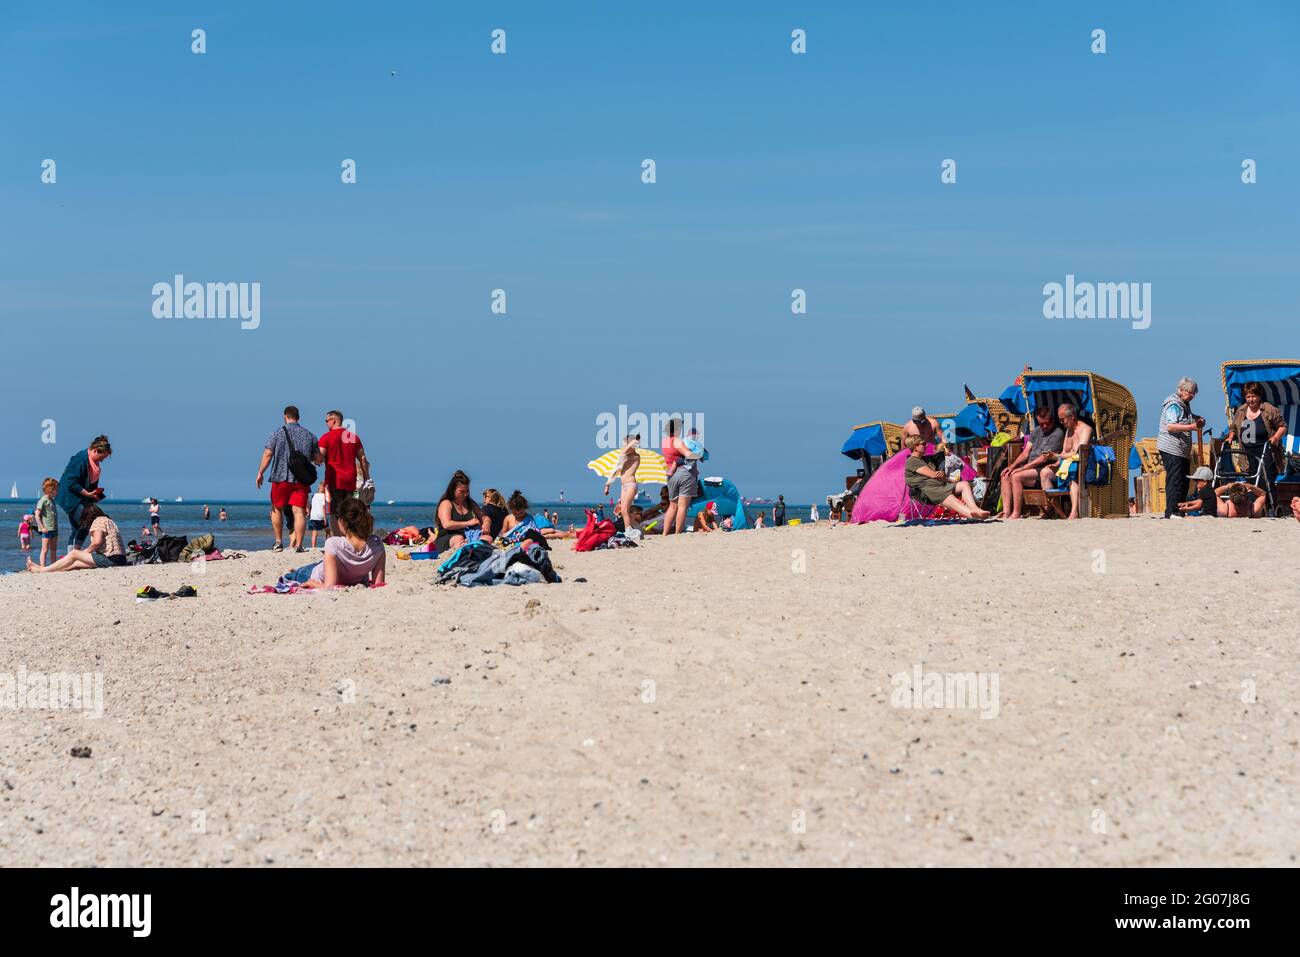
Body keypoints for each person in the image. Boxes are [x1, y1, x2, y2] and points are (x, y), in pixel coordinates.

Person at [256, 405, 321, 553]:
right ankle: (299, 545)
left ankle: (278, 542)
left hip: (280, 477)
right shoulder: (309, 435)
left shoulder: (277, 433)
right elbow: (318, 459)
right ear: (298, 417)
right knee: (299, 512)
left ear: (285, 416)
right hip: (301, 479)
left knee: (276, 509)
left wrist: (260, 472)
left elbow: (267, 454)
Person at [282, 498, 386, 589]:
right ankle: (296, 569)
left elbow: (330, 587)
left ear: (343, 521)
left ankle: (295, 571)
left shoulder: (334, 543)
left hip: (315, 575)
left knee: (297, 574)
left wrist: (312, 583)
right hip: (337, 570)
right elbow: (379, 584)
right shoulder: (377, 544)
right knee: (319, 564)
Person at [903, 434, 991, 519]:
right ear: (915, 447)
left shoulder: (924, 459)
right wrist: (939, 474)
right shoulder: (912, 461)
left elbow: (938, 475)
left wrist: (947, 478)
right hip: (925, 491)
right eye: (923, 444)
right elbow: (933, 475)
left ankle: (974, 508)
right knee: (948, 495)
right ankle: (971, 514)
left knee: (964, 484)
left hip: (938, 486)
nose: (926, 446)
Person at [999, 406, 1064, 519]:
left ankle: (1016, 513)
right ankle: (1006, 512)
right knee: (1006, 475)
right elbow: (1025, 453)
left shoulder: (1057, 433)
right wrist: (1012, 466)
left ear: (1052, 420)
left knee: (1016, 476)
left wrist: (1022, 469)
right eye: (1041, 423)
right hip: (1030, 469)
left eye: (1047, 423)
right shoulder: (1036, 431)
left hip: (1044, 469)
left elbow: (1043, 458)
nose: (1044, 426)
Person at [1157, 378, 1204, 519]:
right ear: (1181, 390)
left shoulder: (1184, 404)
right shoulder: (1174, 405)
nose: (1192, 395)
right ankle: (1172, 512)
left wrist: (1197, 418)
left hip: (1181, 451)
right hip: (1172, 449)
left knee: (1183, 481)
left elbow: (1185, 417)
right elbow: (1171, 426)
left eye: (1194, 393)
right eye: (1190, 392)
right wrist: (1191, 427)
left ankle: (1179, 510)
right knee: (1175, 480)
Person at [27, 505, 126, 572]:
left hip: (110, 559)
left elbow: (97, 542)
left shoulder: (98, 521)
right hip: (120, 559)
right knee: (75, 564)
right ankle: (45, 569)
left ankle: (42, 570)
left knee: (74, 553)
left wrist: (85, 552)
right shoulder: (108, 520)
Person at [318, 410, 371, 536]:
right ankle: (348, 536)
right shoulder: (353, 437)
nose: (326, 424)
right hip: (350, 479)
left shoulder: (326, 437)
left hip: (334, 479)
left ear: (334, 420)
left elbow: (319, 457)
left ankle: (337, 538)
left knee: (335, 511)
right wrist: (366, 478)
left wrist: (314, 459)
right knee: (348, 510)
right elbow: (362, 458)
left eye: (327, 421)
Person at [1039, 403, 1094, 520]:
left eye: (1062, 419)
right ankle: (1055, 510)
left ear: (1072, 417)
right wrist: (1057, 462)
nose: (1061, 423)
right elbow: (1065, 451)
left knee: (1071, 472)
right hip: (1066, 464)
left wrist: (1056, 456)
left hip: (1081, 466)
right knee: (1044, 472)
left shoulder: (1085, 429)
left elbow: (1079, 452)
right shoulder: (1068, 431)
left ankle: (1074, 512)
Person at [1227, 382, 1285, 488]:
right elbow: (1233, 427)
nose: (1251, 399)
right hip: (1247, 454)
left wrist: (1275, 437)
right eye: (1248, 397)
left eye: (1253, 396)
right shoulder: (1241, 411)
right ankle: (1256, 504)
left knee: (1266, 482)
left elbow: (1282, 427)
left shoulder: (1269, 409)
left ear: (1259, 396)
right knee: (1252, 484)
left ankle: (1271, 504)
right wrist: (1231, 434)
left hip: (1266, 452)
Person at [57, 435, 111, 549]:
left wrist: (95, 495)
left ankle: (74, 554)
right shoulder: (79, 460)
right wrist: (88, 494)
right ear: (95, 451)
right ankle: (74, 554)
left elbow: (90, 485)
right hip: (71, 498)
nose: (102, 460)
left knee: (79, 527)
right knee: (86, 523)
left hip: (82, 499)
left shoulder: (94, 465)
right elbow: (71, 483)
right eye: (102, 457)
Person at [661, 418, 703, 536]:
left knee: (672, 506)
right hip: (684, 474)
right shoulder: (677, 441)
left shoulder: (664, 442)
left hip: (671, 474)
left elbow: (673, 456)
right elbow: (688, 455)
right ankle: (678, 533)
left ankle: (665, 533)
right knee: (682, 506)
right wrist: (699, 454)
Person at [434, 470, 489, 552]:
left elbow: (485, 517)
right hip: (447, 537)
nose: (465, 494)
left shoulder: (470, 503)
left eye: (467, 491)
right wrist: (468, 523)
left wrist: (486, 523)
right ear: (453, 489)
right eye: (462, 491)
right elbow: (447, 524)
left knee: (487, 538)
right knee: (459, 539)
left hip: (467, 535)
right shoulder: (446, 503)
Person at [604, 434, 641, 536]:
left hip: (631, 485)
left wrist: (633, 442)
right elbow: (616, 469)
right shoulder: (624, 457)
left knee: (625, 509)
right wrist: (608, 484)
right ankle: (636, 529)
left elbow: (628, 448)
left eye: (625, 445)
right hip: (623, 486)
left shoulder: (636, 456)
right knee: (624, 511)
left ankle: (629, 531)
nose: (624, 447)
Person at [35, 478, 59, 567]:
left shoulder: (52, 500)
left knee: (54, 550)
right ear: (50, 490)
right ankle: (42, 567)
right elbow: (37, 515)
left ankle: (53, 566)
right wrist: (42, 527)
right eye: (56, 490)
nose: (57, 492)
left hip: (54, 529)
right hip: (46, 530)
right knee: (45, 549)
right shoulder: (43, 500)